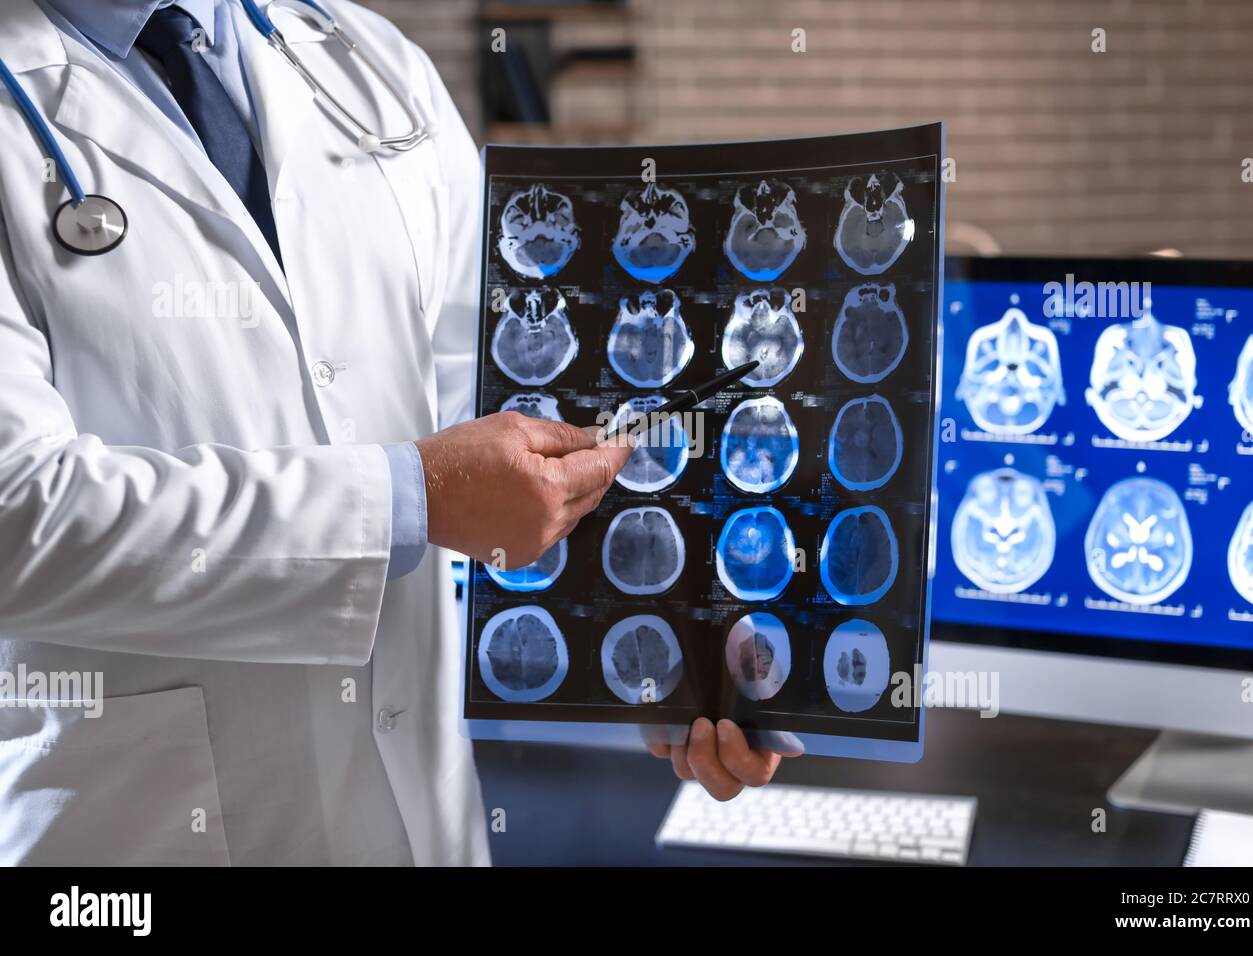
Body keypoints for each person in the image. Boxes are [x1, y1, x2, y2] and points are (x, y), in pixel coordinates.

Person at [0, 0, 790, 866]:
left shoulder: (369, 64)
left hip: (427, 825)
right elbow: (18, 516)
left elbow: (499, 410)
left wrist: (658, 642)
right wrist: (409, 498)